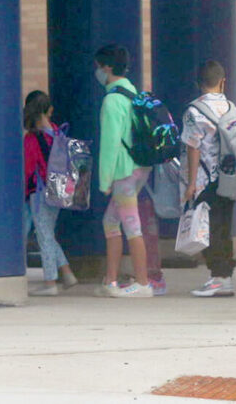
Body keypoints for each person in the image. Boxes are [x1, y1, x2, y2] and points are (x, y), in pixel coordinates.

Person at [94, 44, 153, 298]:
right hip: (140, 167)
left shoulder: (111, 100)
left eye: (98, 67)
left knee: (132, 225)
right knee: (110, 221)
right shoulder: (133, 93)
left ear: (107, 67)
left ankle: (142, 283)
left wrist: (104, 180)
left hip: (123, 171)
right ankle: (111, 281)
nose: (97, 72)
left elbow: (109, 144)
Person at [181, 60, 236, 298]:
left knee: (209, 229)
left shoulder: (194, 111)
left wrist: (191, 183)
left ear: (199, 84)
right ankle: (224, 276)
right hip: (230, 177)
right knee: (224, 226)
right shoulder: (232, 108)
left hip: (206, 180)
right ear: (223, 81)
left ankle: (218, 278)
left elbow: (192, 148)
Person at [22, 90, 77, 296]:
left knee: (44, 236)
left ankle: (50, 283)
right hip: (59, 190)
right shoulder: (57, 132)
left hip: (40, 192)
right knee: (48, 233)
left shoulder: (31, 139)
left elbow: (28, 168)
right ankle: (67, 272)